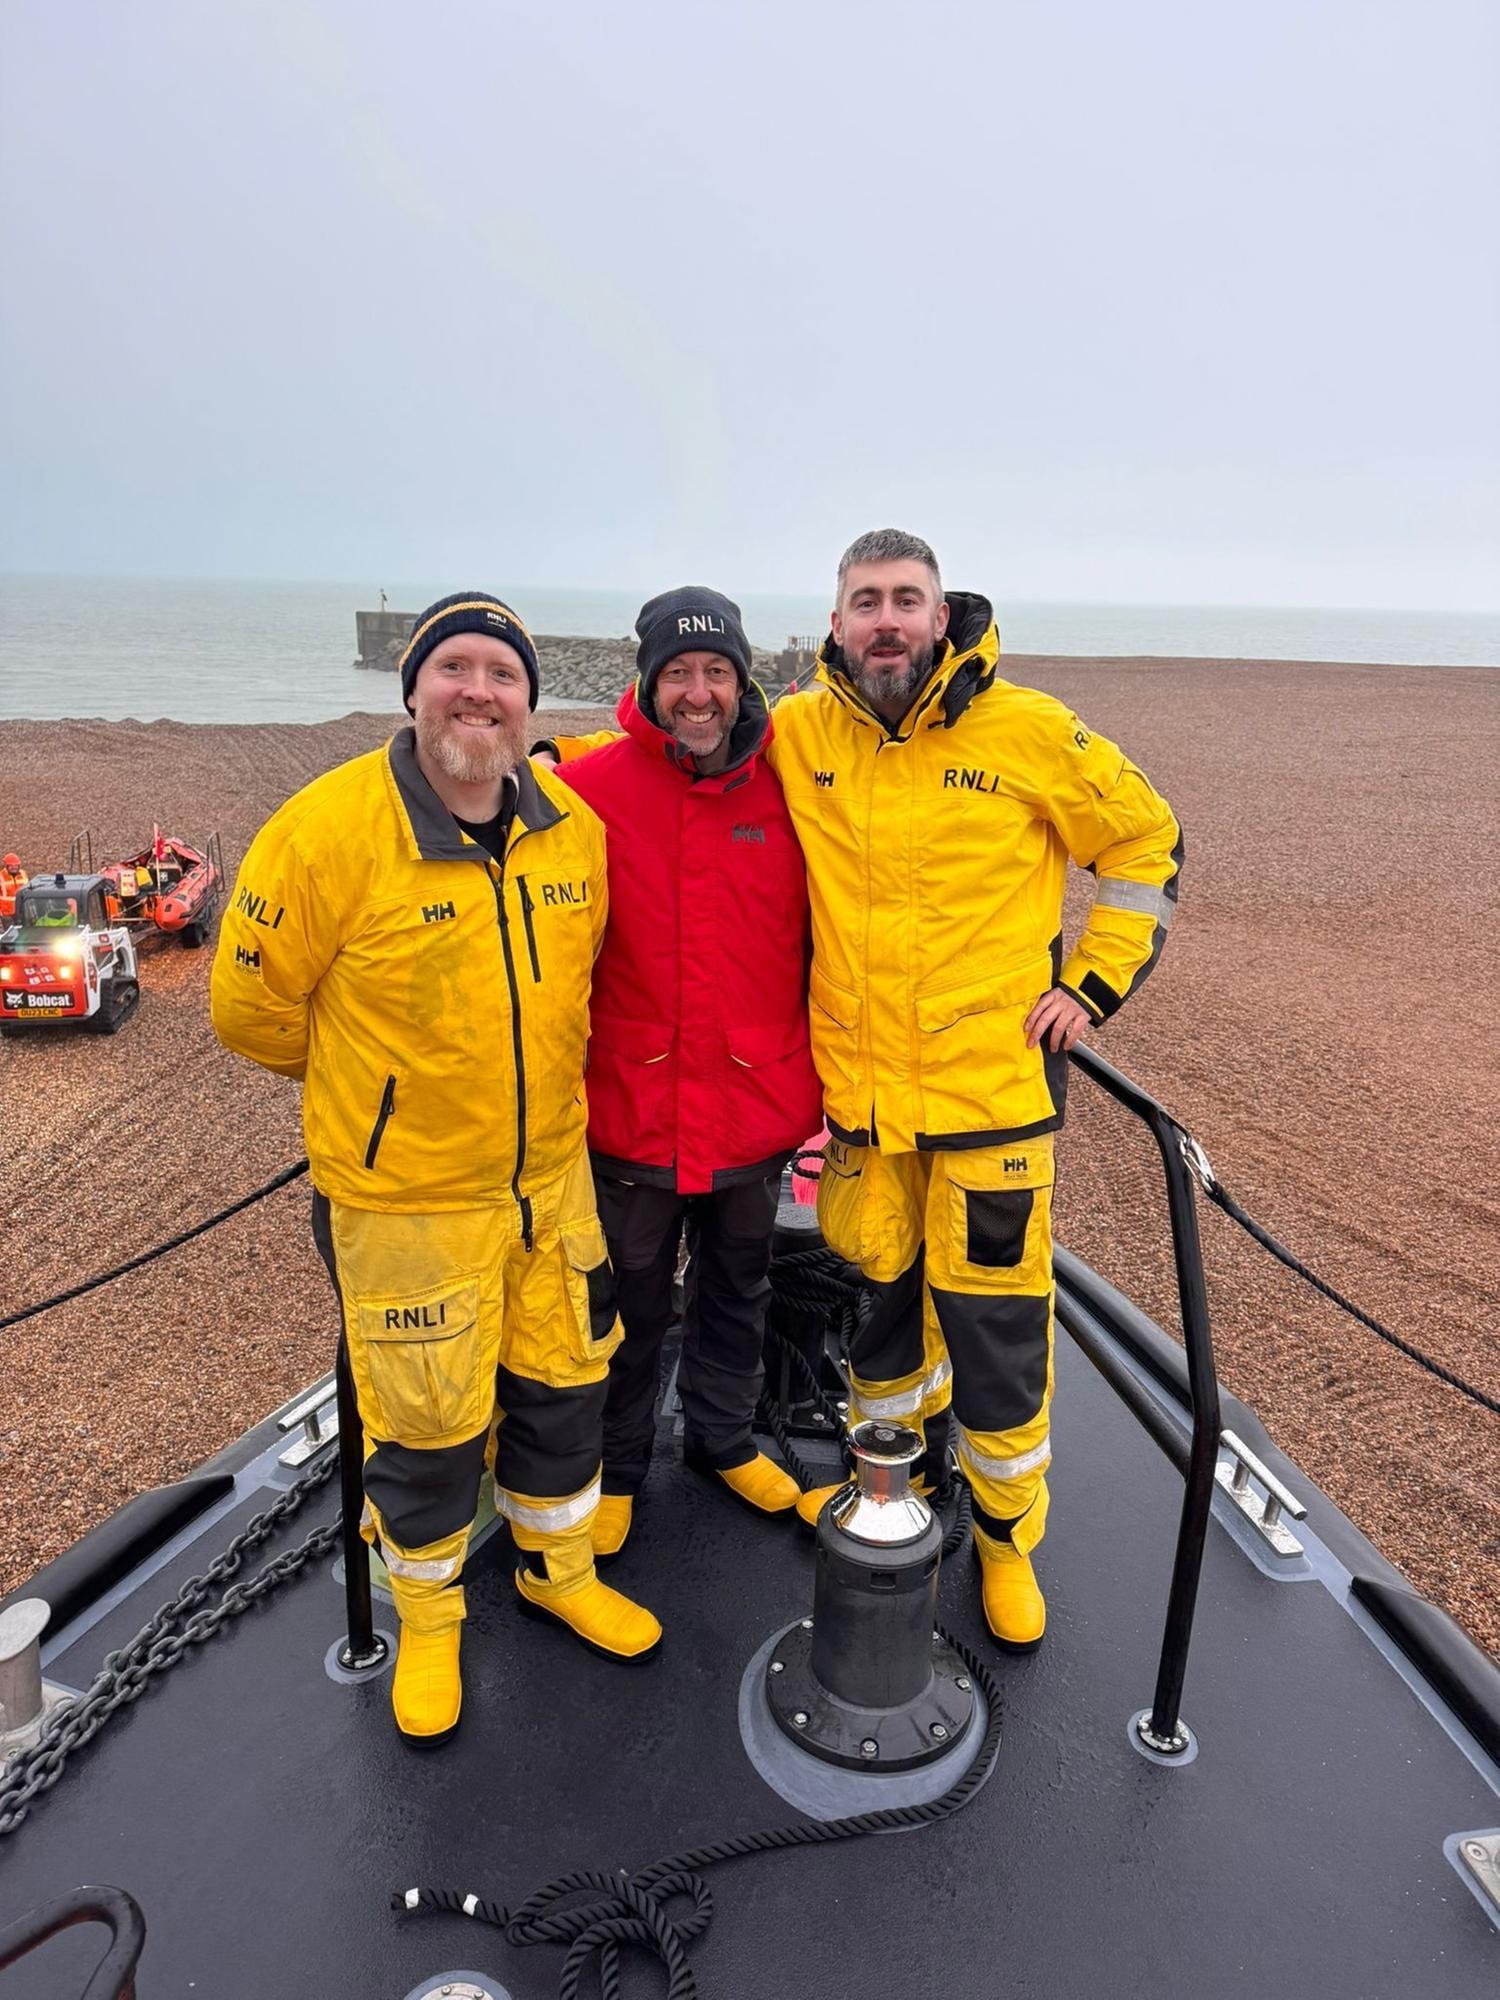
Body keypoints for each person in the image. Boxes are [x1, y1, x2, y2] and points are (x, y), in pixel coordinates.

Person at [211, 590, 661, 1750]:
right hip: (406, 1201)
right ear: (410, 690)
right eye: (452, 668)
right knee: (423, 1428)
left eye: (501, 674)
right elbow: (250, 1013)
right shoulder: (324, 832)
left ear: (528, 699)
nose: (478, 690)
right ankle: (427, 1616)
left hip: (550, 1183)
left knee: (568, 1387)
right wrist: (380, 1102)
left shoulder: (574, 832)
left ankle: (557, 1569)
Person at [768, 530, 1182, 1651]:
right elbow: (671, 767)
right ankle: (890, 1495)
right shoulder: (798, 732)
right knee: (883, 1322)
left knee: (999, 1338)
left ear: (943, 616)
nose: (888, 618)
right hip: (863, 1110)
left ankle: (1007, 1542)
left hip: (992, 1102)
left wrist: (1092, 985)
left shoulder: (1032, 730)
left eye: (908, 598)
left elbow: (1146, 839)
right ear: (838, 622)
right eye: (868, 600)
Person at [544, 588, 823, 1558]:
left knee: (740, 1286)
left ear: (741, 679)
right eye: (677, 673)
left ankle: (722, 1437)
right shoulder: (591, 784)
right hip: (632, 1104)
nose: (697, 693)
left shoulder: (793, 788)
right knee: (629, 1298)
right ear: (649, 681)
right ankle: (619, 1465)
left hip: (754, 1103)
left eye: (714, 672)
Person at [0, 854, 27, 921]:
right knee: (10, 931)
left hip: (22, 911)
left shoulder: (24, 874)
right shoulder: (1, 876)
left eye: (16, 865)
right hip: (6, 913)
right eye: (11, 865)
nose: (14, 867)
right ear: (6, 866)